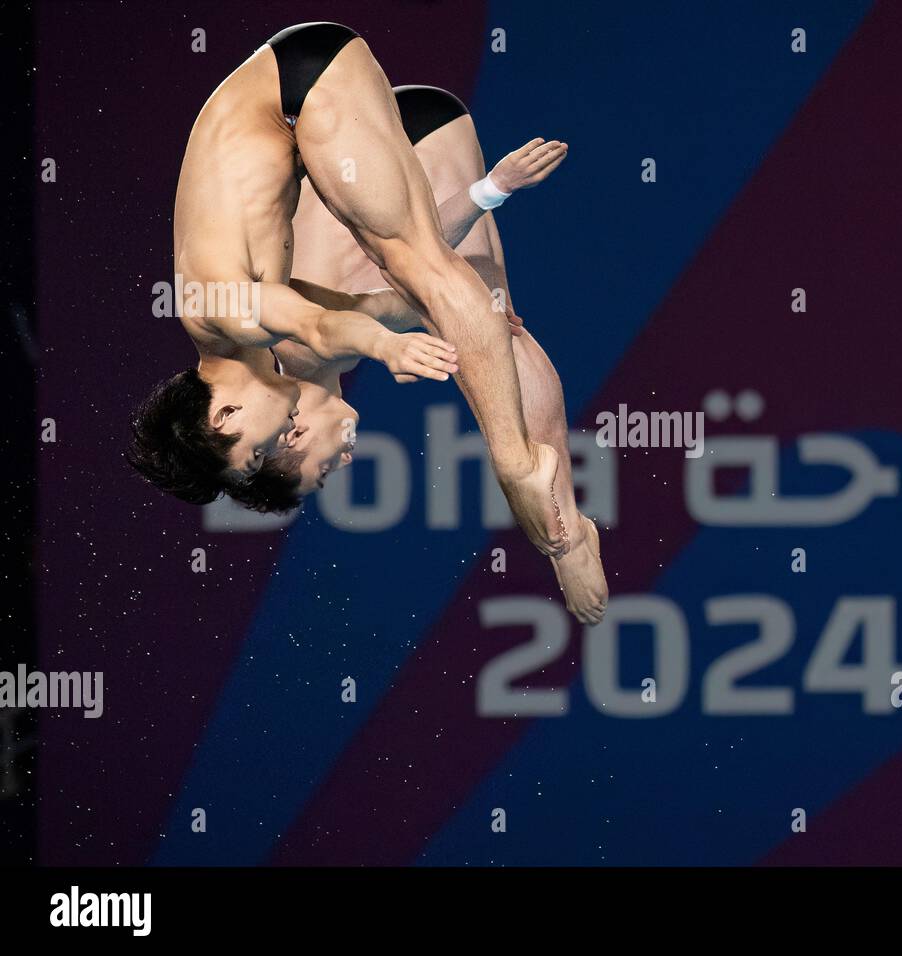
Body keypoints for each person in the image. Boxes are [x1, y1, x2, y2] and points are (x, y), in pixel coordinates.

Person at [128, 22, 567, 558]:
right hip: (296, 91)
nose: (278, 440)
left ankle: (517, 466)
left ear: (224, 416)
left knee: (419, 263)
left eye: (256, 451)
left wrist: (388, 346)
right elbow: (361, 308)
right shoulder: (228, 330)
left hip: (301, 88)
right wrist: (446, 317)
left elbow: (319, 326)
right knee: (423, 279)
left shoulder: (223, 317)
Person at [257, 85, 605, 624]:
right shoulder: (286, 353)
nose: (344, 461)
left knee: (471, 317)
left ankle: (567, 537)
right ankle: (562, 526)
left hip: (398, 137)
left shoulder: (303, 350)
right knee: (476, 314)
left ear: (296, 433)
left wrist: (493, 189)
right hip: (376, 128)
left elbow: (412, 262)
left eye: (324, 470)